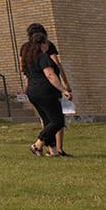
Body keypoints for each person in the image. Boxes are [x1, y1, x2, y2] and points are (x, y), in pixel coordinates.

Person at [20, 23, 74, 157]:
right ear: (42, 43)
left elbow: (24, 71)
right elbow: (50, 75)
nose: (47, 46)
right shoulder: (42, 56)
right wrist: (63, 89)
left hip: (32, 91)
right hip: (45, 92)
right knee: (57, 121)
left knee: (47, 121)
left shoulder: (27, 54)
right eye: (46, 44)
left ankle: (53, 151)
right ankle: (37, 145)